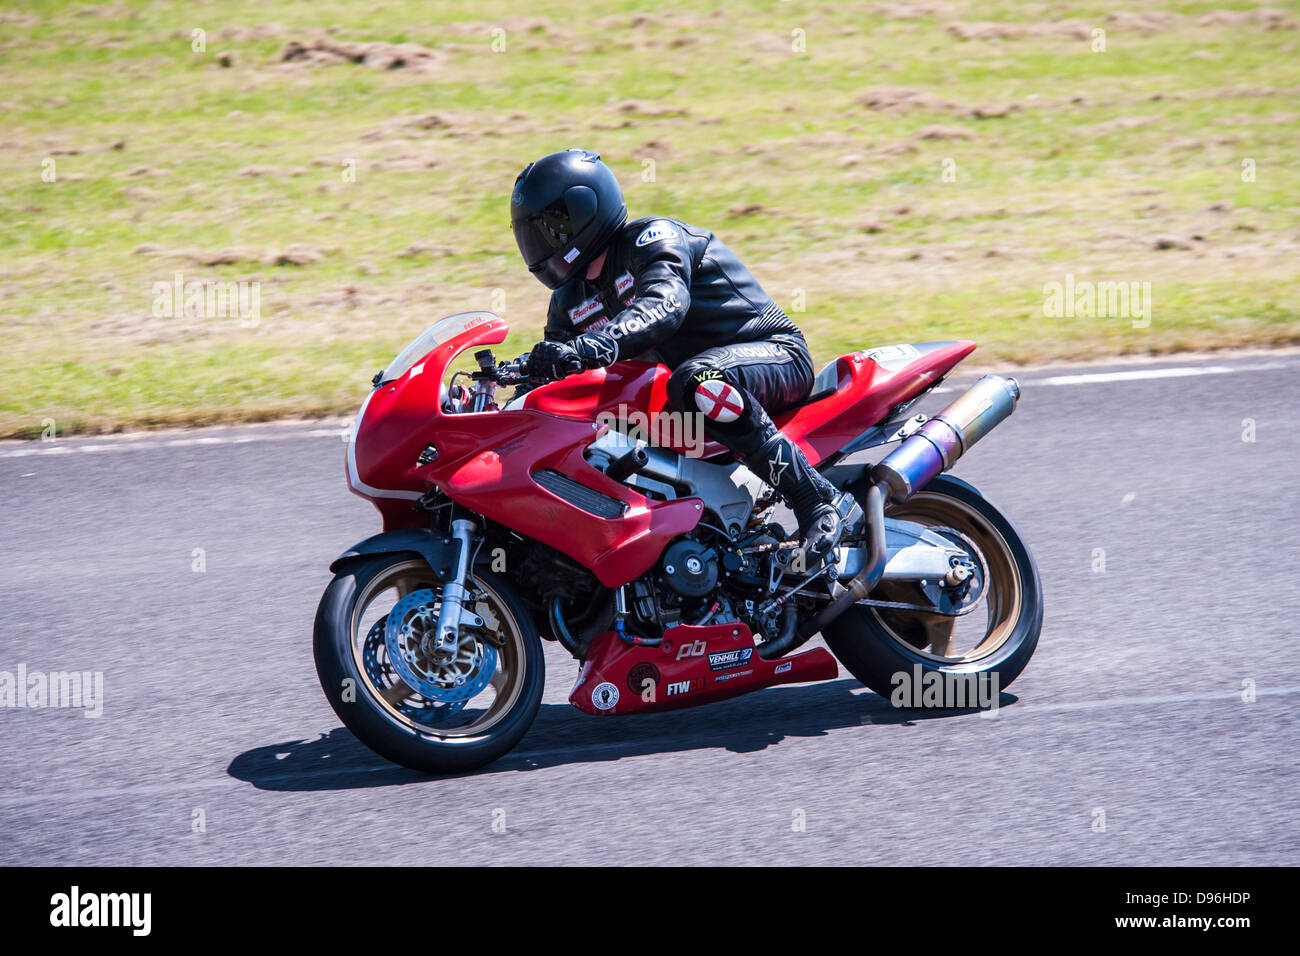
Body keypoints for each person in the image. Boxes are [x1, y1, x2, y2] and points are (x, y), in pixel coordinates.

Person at [510, 148, 844, 561]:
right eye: (532, 232)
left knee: (695, 379)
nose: (541, 243)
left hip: (774, 356)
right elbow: (558, 376)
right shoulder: (569, 298)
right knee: (592, 419)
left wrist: (597, 344)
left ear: (586, 208)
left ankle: (816, 500)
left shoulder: (653, 239)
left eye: (551, 228)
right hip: (689, 399)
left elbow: (664, 305)